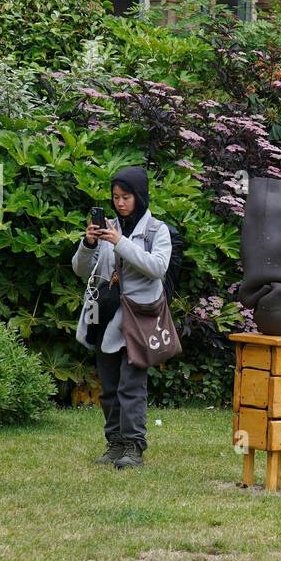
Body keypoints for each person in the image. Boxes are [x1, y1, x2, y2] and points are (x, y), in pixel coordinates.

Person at [73, 166, 172, 468]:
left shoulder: (157, 230)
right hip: (106, 314)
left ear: (139, 196)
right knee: (110, 385)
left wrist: (119, 242)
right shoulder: (107, 227)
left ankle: (134, 446)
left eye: (126, 197)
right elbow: (81, 269)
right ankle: (115, 443)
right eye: (115, 197)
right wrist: (89, 244)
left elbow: (157, 268)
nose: (119, 203)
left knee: (132, 384)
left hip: (140, 317)